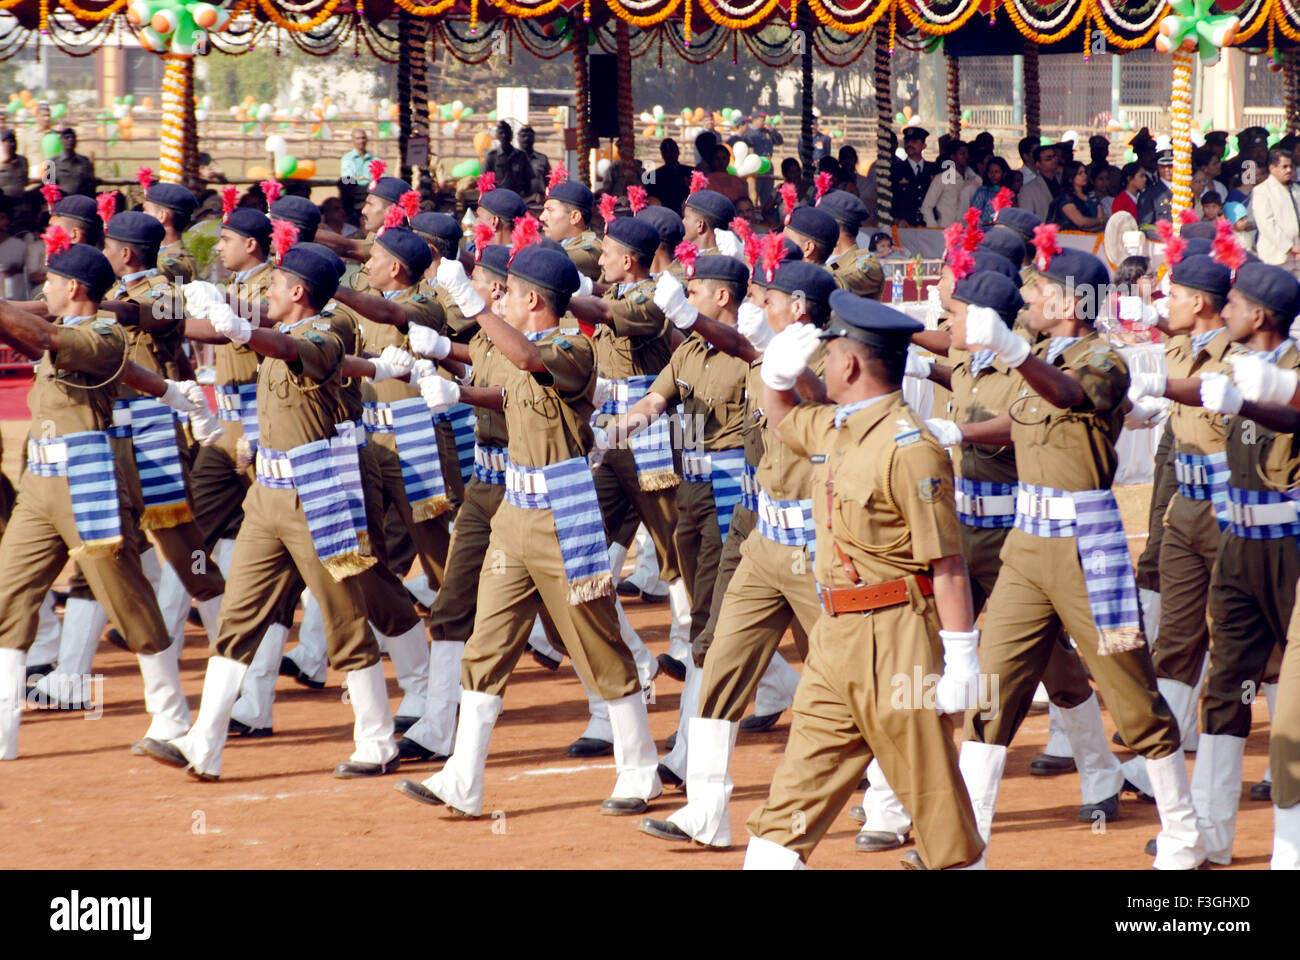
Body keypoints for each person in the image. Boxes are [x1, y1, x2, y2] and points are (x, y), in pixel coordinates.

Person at [955, 246, 1206, 869]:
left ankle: (1184, 834)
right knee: (991, 692)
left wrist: (1013, 354)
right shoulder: (1041, 358)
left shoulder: (1102, 360)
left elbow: (1072, 397)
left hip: (1087, 548)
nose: (1029, 302)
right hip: (1026, 546)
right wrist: (956, 430)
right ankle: (964, 848)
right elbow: (1022, 420)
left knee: (1131, 691)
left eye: (1039, 292)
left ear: (1069, 302)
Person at [396, 244, 663, 817]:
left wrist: (472, 305)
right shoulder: (524, 349)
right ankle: (463, 779)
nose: (501, 298)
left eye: (508, 292)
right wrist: (458, 391)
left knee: (594, 638)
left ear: (534, 299)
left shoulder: (572, 347)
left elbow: (524, 362)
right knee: (487, 641)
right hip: (513, 513)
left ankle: (640, 770)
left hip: (561, 515)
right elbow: (511, 390)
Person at [138, 242, 409, 781]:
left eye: (274, 286)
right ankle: (204, 743)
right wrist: (224, 310)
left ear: (298, 293)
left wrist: (231, 323)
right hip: (267, 493)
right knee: (239, 615)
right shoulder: (295, 328)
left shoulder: (326, 333)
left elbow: (286, 347)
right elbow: (270, 331)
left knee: (343, 616)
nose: (265, 294)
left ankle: (377, 741)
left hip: (315, 495)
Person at [739, 290, 987, 870]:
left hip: (898, 638)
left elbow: (946, 564)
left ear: (849, 365)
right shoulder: (837, 425)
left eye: (828, 356)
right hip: (835, 638)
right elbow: (784, 419)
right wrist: (775, 375)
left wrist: (961, 660)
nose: (821, 365)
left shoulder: (912, 449)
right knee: (791, 803)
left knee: (936, 808)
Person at [638, 259, 832, 849]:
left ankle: (889, 798)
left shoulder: (822, 361)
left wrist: (690, 314)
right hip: (760, 536)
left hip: (814, 546)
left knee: (850, 668)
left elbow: (808, 401)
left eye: (770, 297)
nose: (760, 304)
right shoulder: (762, 353)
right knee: (720, 657)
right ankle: (706, 809)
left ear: (798, 308)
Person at [0, 241, 202, 759]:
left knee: (126, 595)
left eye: (51, 280)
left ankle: (172, 714)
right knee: (8, 595)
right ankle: (3, 728)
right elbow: (43, 337)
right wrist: (167, 391)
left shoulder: (105, 333)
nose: (44, 288)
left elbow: (45, 334)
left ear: (75, 287)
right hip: (41, 485)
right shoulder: (75, 335)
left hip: (88, 479)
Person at [1250, 149, 1300, 273]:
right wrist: (1290, 247)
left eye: (1291, 166)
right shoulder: (1262, 191)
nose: (1289, 170)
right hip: (1276, 256)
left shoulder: (1296, 189)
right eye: (1284, 166)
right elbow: (1266, 224)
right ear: (1272, 168)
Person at [891, 127, 938, 227]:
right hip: (905, 226)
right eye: (907, 141)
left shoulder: (933, 169)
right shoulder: (895, 169)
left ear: (924, 146)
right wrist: (896, 220)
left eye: (914, 141)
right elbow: (889, 199)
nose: (909, 144)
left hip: (929, 225)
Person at [483, 122, 536, 197]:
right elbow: (485, 181)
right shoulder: (491, 156)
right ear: (497, 136)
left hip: (516, 197)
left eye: (507, 133)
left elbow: (528, 181)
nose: (504, 136)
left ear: (511, 135)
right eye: (501, 133)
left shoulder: (521, 155)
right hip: (497, 198)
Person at [338, 127, 378, 222]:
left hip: (371, 191)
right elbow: (348, 178)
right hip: (355, 193)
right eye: (358, 138)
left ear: (367, 140)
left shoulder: (375, 160)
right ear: (353, 140)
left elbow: (379, 178)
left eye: (363, 138)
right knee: (346, 183)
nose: (361, 141)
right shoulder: (347, 158)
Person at [1052, 161, 1104, 232]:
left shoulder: (1092, 195)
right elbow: (1081, 222)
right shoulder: (1065, 198)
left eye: (1085, 172)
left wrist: (1099, 222)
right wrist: (1100, 221)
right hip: (1073, 239)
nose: (1084, 175)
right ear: (1070, 178)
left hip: (1096, 237)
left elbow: (1103, 220)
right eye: (1080, 173)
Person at [646, 138, 690, 215]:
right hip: (663, 214)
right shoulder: (652, 176)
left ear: (678, 152)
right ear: (662, 155)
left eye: (673, 150)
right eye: (667, 152)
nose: (671, 154)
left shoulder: (691, 172)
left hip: (687, 213)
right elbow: (650, 200)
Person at [1016, 144, 1059, 221]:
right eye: (1048, 158)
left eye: (1055, 156)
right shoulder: (1027, 190)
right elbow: (1026, 220)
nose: (1054, 160)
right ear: (1038, 164)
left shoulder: (1065, 181)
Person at [748, 114, 784, 205]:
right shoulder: (749, 133)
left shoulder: (766, 132)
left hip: (768, 166)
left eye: (764, 119)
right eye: (761, 120)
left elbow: (779, 141)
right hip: (756, 167)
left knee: (767, 195)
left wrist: (773, 131)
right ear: (754, 120)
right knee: (754, 193)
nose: (764, 122)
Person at [50, 129, 96, 198]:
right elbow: (48, 186)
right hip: (60, 201)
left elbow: (90, 183)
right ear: (61, 141)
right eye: (67, 138)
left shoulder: (84, 161)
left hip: (81, 199)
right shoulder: (53, 162)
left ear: (76, 141)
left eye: (73, 137)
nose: (70, 140)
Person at [969, 157, 1011, 226]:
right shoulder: (982, 192)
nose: (993, 175)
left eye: (996, 172)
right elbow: (973, 216)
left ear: (1004, 173)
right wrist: (984, 223)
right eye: (990, 171)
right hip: (985, 231)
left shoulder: (1009, 193)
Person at [517, 126, 550, 200]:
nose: (526, 138)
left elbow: (548, 181)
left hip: (538, 200)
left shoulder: (542, 158)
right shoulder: (513, 159)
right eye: (523, 136)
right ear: (518, 139)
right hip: (519, 200)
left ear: (534, 138)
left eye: (529, 136)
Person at [0, 131, 27, 200]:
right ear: (3, 144)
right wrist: (4, 164)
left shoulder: (22, 160)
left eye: (14, 141)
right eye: (9, 142)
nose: (13, 144)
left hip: (20, 201)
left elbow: (24, 181)